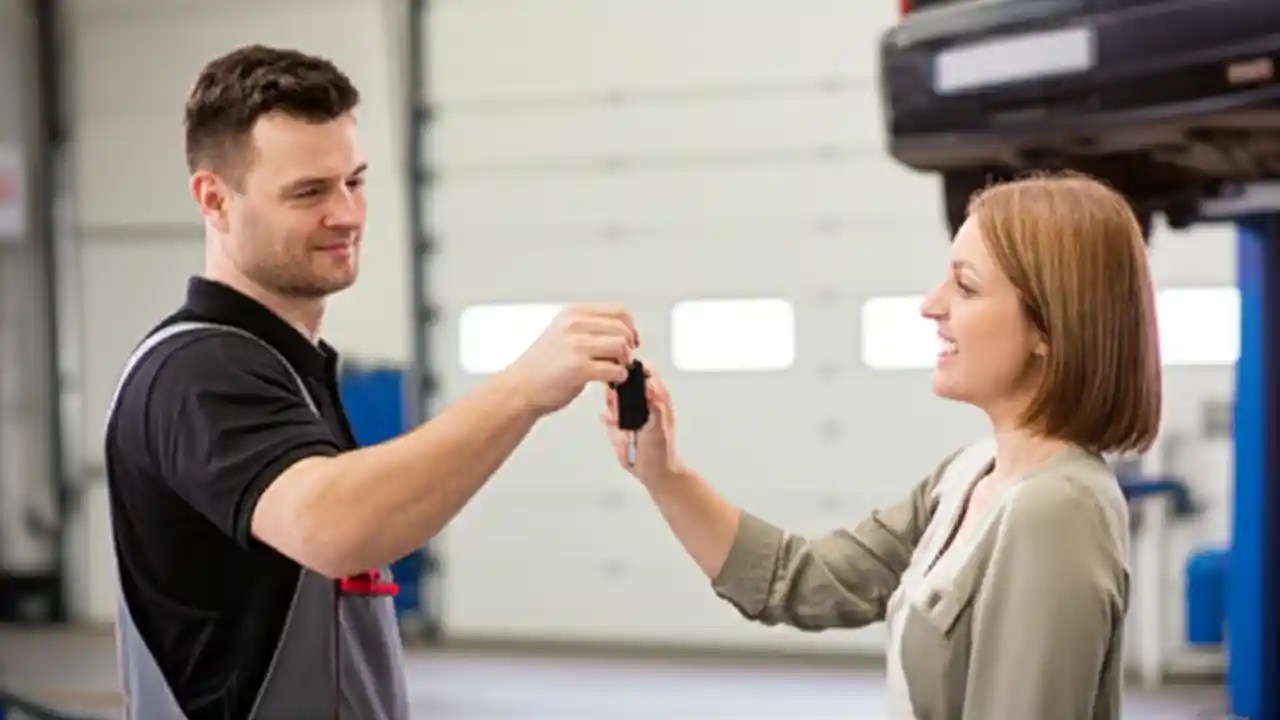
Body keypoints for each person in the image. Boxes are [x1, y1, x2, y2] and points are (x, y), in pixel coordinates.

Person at [102, 45, 639, 720]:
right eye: (309, 193)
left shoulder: (286, 366)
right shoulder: (199, 371)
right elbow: (336, 527)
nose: (348, 214)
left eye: (354, 181)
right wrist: (523, 388)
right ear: (215, 199)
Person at [602, 172, 1162, 719]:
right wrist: (664, 473)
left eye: (965, 286)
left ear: (1049, 327)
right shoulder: (968, 476)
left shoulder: (1057, 511)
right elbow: (802, 581)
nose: (931, 305)